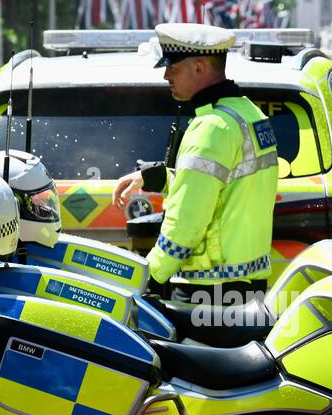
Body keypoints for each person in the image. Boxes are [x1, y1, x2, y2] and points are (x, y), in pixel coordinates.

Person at [110, 22, 279, 305]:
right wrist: (159, 177)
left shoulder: (211, 127)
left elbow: (186, 223)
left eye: (172, 67)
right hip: (248, 284)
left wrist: (149, 276)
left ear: (199, 67)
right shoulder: (249, 114)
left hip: (207, 289)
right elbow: (224, 186)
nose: (166, 75)